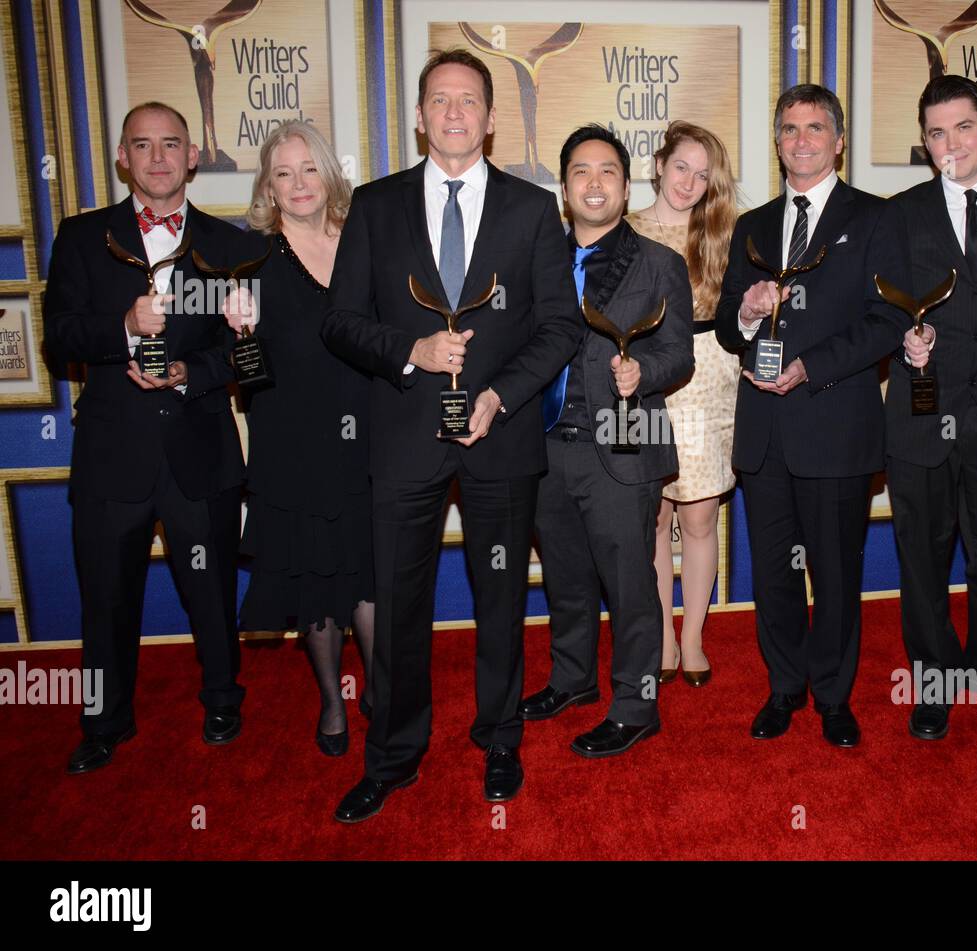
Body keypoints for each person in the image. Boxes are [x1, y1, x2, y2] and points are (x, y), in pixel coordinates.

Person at [321, 50, 583, 819]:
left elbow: (561, 327)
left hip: (500, 436)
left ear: (493, 118)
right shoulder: (375, 205)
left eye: (469, 100)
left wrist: (500, 393)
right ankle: (394, 753)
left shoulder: (534, 210)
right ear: (419, 116)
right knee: (399, 600)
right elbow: (339, 320)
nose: (456, 112)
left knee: (499, 593)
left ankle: (501, 737)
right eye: (440, 99)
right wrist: (412, 352)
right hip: (405, 435)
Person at [44, 101, 265, 773]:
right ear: (123, 157)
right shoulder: (82, 238)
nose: (159, 157)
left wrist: (192, 369)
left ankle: (223, 696)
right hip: (113, 453)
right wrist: (125, 327)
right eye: (144, 145)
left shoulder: (232, 247)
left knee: (213, 588)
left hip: (200, 448)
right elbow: (58, 339)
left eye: (172, 144)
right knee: (105, 596)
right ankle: (103, 719)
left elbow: (251, 358)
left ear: (194, 156)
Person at [716, 84, 910, 748]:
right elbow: (725, 324)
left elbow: (888, 321)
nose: (802, 140)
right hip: (764, 436)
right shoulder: (752, 225)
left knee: (834, 571)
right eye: (790, 129)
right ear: (777, 141)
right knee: (773, 572)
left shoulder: (877, 219)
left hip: (835, 424)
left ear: (840, 140)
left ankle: (833, 695)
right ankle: (784, 686)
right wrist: (747, 311)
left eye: (815, 128)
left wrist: (812, 365)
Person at [518, 125, 693, 756]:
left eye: (608, 172)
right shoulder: (537, 261)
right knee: (564, 578)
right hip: (544, 444)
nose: (595, 183)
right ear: (564, 188)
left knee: (629, 584)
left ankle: (637, 703)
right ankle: (573, 680)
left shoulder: (659, 263)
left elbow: (679, 356)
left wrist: (643, 371)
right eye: (581, 173)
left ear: (626, 185)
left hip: (622, 443)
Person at [884, 75, 977, 741]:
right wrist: (904, 338)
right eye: (937, 133)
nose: (952, 144)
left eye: (963, 128)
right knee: (921, 558)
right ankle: (935, 679)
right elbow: (873, 307)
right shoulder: (899, 213)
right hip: (921, 414)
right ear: (924, 142)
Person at [223, 121, 374, 758]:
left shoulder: (363, 239)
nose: (298, 184)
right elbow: (233, 360)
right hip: (292, 443)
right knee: (316, 579)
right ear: (268, 186)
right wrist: (234, 326)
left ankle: (381, 686)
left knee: (368, 572)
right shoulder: (248, 260)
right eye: (282, 173)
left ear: (328, 174)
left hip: (367, 433)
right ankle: (333, 702)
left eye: (308, 168)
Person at [626, 121, 739, 688]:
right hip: (642, 378)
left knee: (698, 516)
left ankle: (693, 636)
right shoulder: (622, 231)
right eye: (680, 167)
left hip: (708, 377)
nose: (689, 182)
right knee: (652, 517)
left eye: (702, 174)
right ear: (658, 164)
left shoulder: (725, 234)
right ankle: (662, 636)